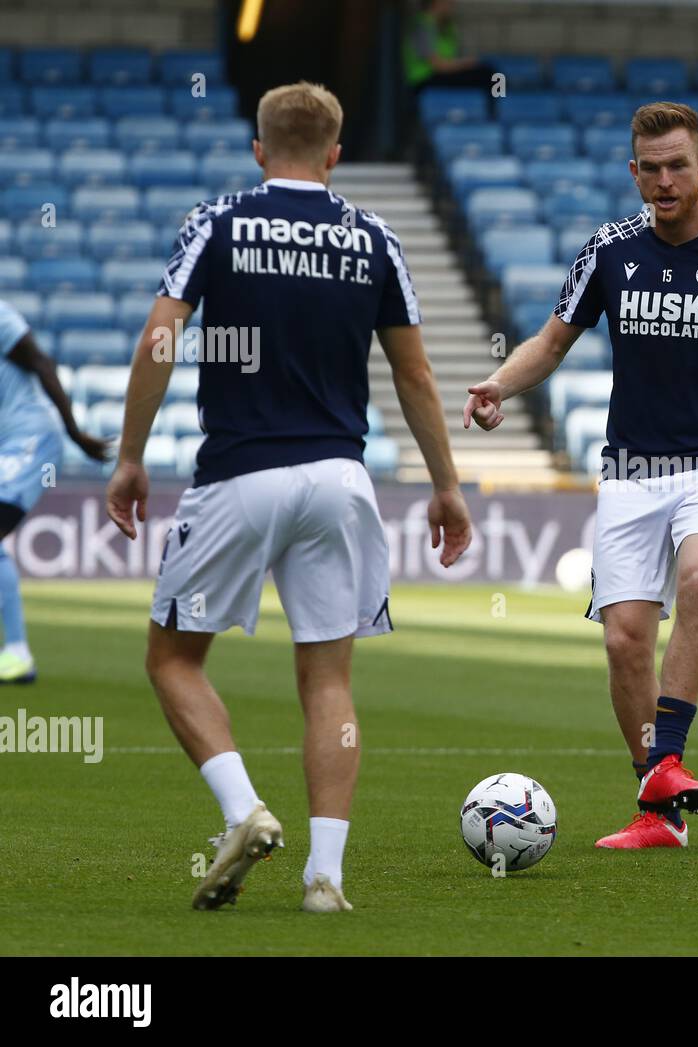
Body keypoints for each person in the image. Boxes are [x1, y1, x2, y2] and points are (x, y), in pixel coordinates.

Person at [105, 81, 472, 912]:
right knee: (328, 680)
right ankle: (325, 879)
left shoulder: (219, 221)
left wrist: (130, 456)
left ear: (261, 149)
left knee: (172, 658)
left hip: (240, 472)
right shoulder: (374, 236)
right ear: (336, 154)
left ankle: (245, 812)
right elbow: (413, 372)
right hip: (341, 482)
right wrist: (446, 484)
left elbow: (162, 335)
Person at [464, 102, 698, 850]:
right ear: (633, 173)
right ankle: (658, 809)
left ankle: (667, 762)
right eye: (650, 169)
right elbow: (552, 339)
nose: (663, 181)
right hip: (630, 467)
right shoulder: (608, 251)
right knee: (626, 640)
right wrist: (499, 383)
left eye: (677, 166)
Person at [0, 301, 111, 682]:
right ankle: (15, 655)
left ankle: (17, 655)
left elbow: (42, 363)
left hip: (31, 439)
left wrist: (75, 433)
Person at [404, 0, 496, 94]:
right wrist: (467, 63)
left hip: (443, 75)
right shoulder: (422, 25)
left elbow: (455, 56)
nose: (452, 5)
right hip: (424, 79)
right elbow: (439, 65)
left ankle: (502, 102)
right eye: (449, 2)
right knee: (486, 75)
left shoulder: (447, 26)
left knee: (489, 72)